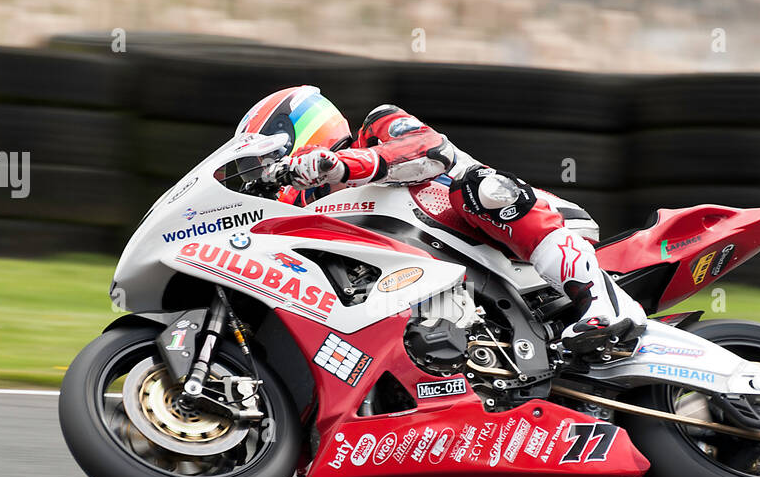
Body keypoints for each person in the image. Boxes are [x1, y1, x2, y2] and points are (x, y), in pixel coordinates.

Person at [234, 85, 645, 352]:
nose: (269, 172)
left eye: (268, 158)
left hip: (503, 228)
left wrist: (342, 165)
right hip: (440, 282)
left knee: (477, 187)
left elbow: (432, 151)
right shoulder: (309, 207)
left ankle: (606, 303)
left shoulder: (377, 126)